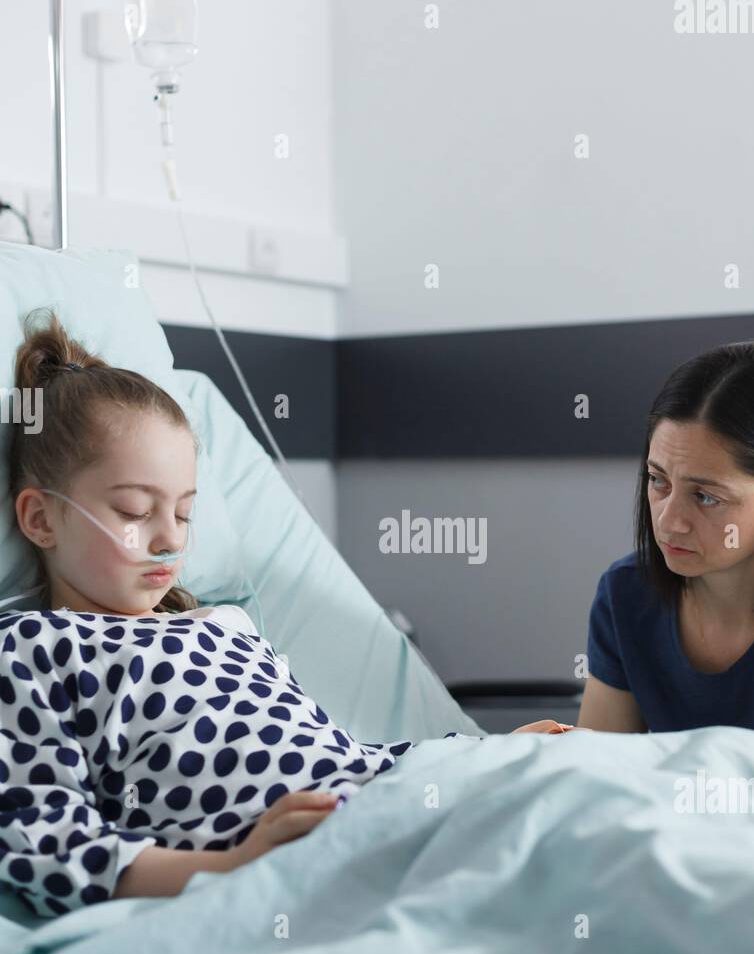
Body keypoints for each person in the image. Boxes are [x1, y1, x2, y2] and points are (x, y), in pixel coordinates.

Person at [0, 311, 568, 919]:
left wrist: (476, 756)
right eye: (136, 511)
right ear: (39, 519)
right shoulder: (34, 648)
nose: (170, 540)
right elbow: (43, 841)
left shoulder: (227, 628)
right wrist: (235, 865)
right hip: (297, 866)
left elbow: (344, 753)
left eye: (186, 513)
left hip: (387, 808)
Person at [578, 342, 754, 770]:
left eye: (706, 497)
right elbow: (594, 783)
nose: (670, 521)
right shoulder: (625, 594)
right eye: (658, 481)